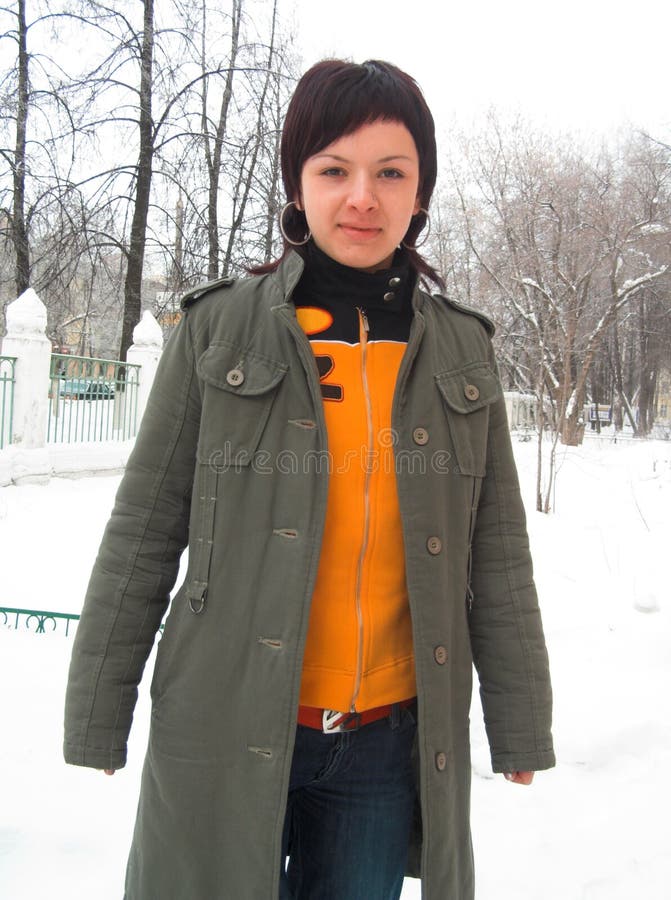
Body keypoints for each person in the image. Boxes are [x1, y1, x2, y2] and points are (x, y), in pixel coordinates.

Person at [64, 59, 555, 900]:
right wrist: (97, 711)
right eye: (334, 170)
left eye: (390, 173)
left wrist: (519, 725)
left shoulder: (461, 348)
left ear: (420, 191)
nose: (361, 197)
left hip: (382, 746)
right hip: (224, 720)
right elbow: (144, 530)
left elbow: (497, 553)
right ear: (298, 182)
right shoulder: (218, 330)